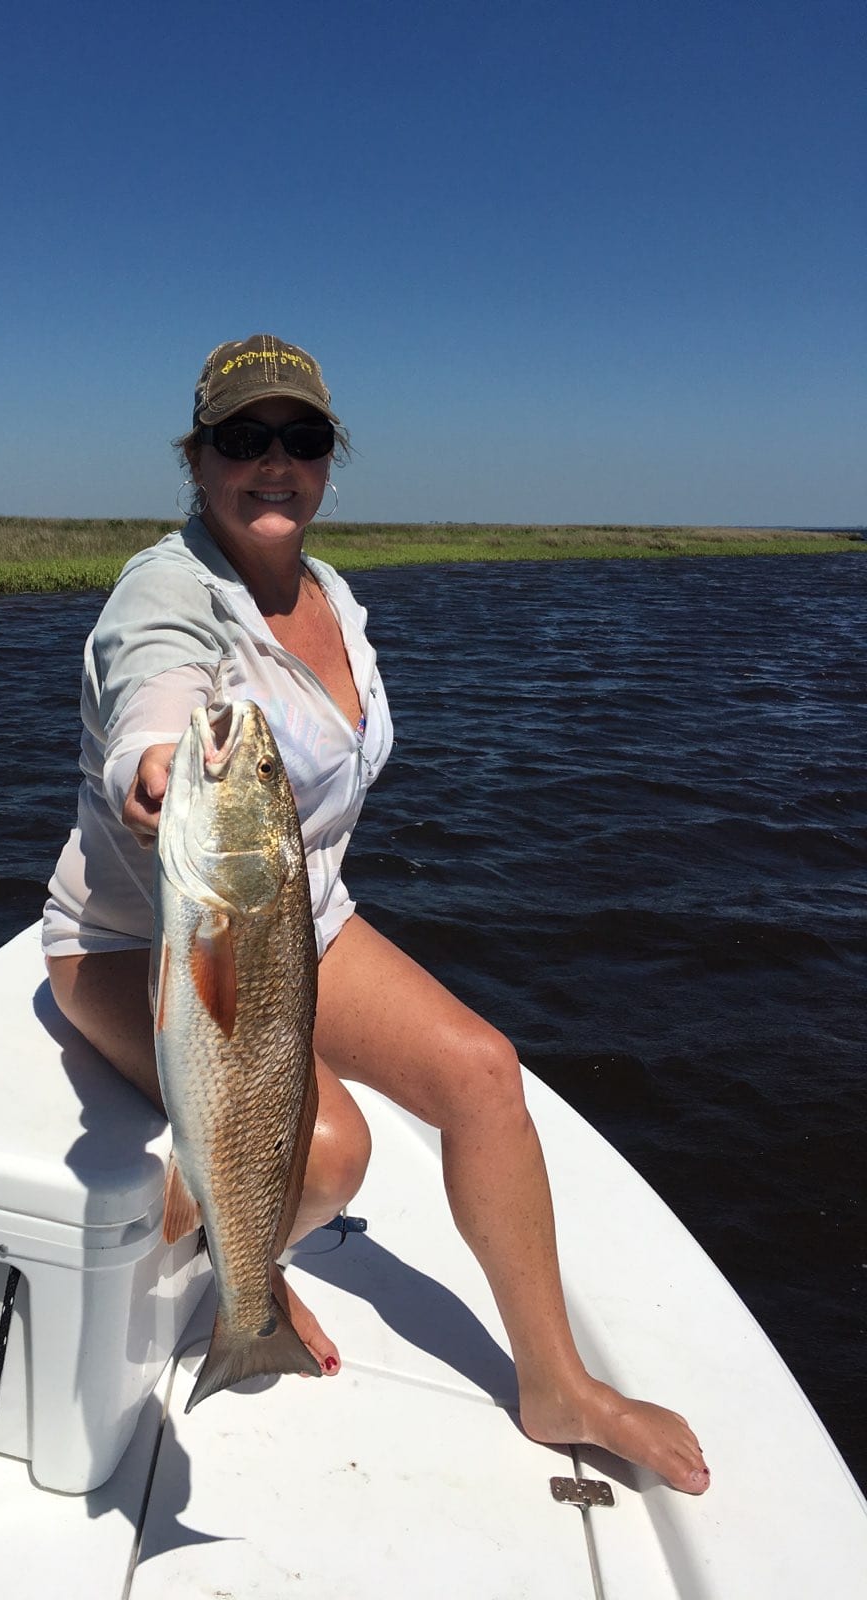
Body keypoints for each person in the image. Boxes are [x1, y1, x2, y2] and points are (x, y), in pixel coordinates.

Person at [43, 333, 711, 1495]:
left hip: (288, 916)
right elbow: (149, 695)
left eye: (300, 439)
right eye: (242, 439)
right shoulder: (165, 587)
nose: (274, 463)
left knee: (485, 1071)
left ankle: (556, 1382)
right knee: (334, 1143)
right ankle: (236, 1272)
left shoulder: (333, 596)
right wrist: (154, 774)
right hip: (142, 941)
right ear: (196, 461)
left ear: (328, 461)